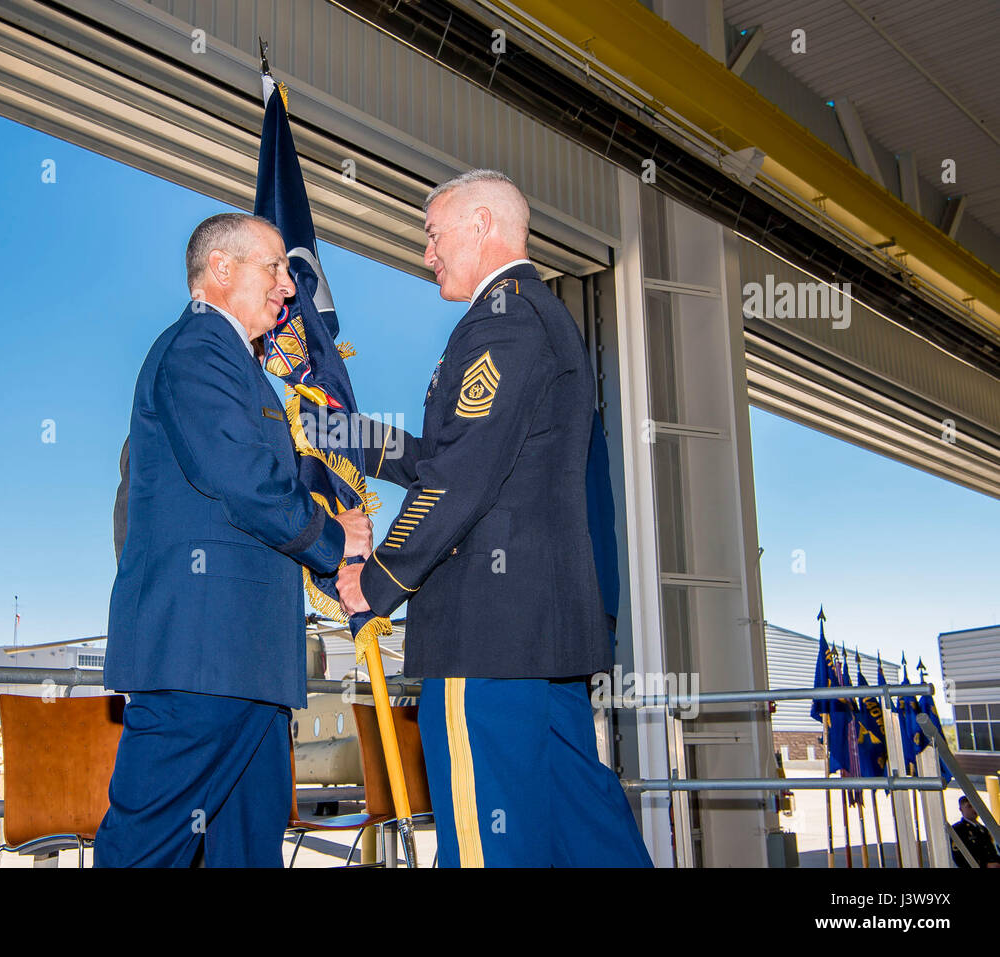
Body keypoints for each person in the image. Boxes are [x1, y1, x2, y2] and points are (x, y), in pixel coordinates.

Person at [336, 169, 651, 867]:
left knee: (489, 843)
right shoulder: (536, 318)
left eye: (432, 233)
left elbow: (461, 476)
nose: (427, 253)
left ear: (481, 225)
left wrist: (379, 577)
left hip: (486, 634)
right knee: (585, 829)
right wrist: (354, 436)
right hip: (544, 640)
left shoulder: (499, 322)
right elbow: (477, 460)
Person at [95, 212, 373, 867]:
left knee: (247, 854)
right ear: (221, 270)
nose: (288, 286)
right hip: (202, 661)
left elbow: (256, 485)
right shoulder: (198, 349)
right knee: (145, 851)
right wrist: (333, 542)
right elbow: (242, 478)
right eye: (273, 267)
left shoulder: (239, 367)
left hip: (250, 667)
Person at [951, 796, 1000, 868]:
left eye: (975, 805)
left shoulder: (983, 829)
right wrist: (984, 866)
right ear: (961, 809)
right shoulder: (958, 829)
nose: (974, 809)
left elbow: (992, 852)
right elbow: (959, 858)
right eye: (969, 806)